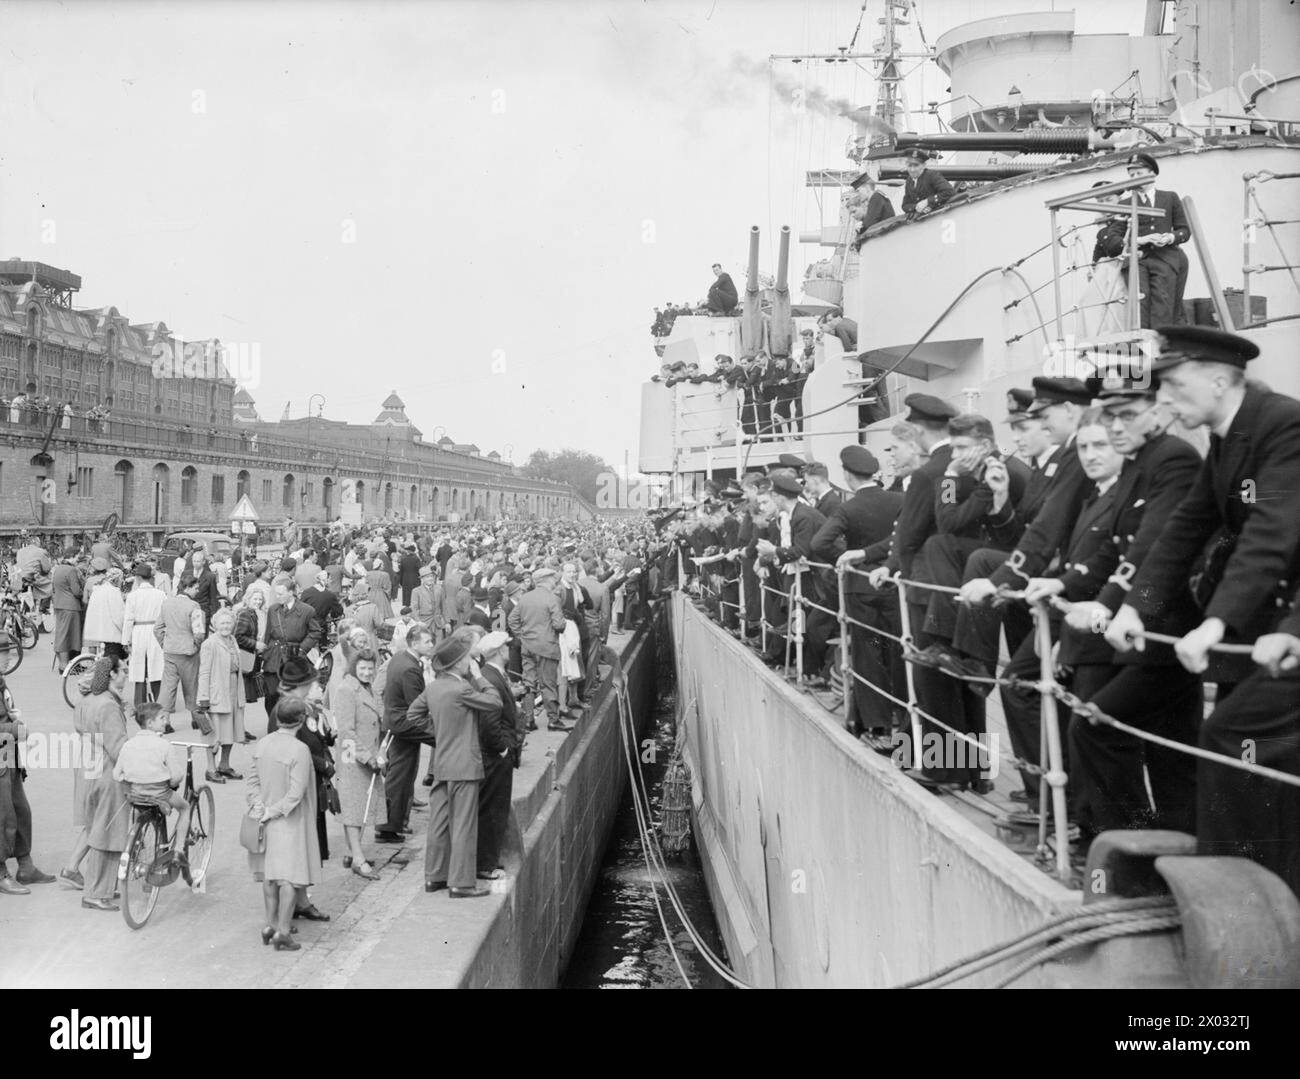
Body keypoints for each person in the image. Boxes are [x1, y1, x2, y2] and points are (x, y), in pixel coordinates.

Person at [1105, 326, 1300, 893]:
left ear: (1219, 380)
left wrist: (1217, 622)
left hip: (1282, 625)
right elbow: (1183, 531)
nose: (1162, 399)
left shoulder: (1282, 425)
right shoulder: (1228, 437)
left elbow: (1273, 532)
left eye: (1173, 383)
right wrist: (1135, 608)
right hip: (1269, 627)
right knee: (1247, 752)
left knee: (1230, 736)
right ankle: (1259, 886)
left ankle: (1239, 890)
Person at [411, 633, 508, 898]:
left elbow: (413, 715)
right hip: (465, 766)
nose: (470, 662)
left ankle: (435, 876)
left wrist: (439, 733)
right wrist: (478, 676)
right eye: (467, 659)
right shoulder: (462, 688)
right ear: (456, 663)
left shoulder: (433, 688)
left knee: (439, 823)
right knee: (464, 824)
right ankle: (461, 883)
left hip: (442, 763)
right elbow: (494, 702)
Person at [247, 695, 319, 950]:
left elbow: (252, 781)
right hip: (289, 821)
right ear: (300, 720)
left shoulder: (263, 743)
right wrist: (274, 811)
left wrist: (259, 807)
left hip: (264, 818)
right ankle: (283, 932)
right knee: (289, 878)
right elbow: (296, 794)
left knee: (269, 876)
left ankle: (270, 924)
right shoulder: (300, 749)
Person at [113, 702, 192, 873]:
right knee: (185, 808)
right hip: (160, 793)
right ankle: (178, 850)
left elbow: (116, 774)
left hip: (136, 795)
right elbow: (177, 775)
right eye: (162, 718)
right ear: (150, 723)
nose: (166, 721)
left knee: (138, 813)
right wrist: (171, 784)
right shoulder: (164, 745)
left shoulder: (128, 744)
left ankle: (136, 847)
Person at [376, 624, 437, 845]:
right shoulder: (410, 668)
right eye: (428, 641)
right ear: (414, 643)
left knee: (402, 774)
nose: (431, 645)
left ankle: (396, 823)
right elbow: (417, 706)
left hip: (397, 722)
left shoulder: (401, 657)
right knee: (400, 776)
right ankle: (388, 828)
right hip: (404, 723)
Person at [79, 656, 131, 911]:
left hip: (93, 771)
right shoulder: (109, 706)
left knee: (100, 829)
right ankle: (96, 892)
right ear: (112, 674)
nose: (126, 674)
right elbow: (118, 747)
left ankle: (102, 888)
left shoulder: (93, 700)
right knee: (107, 833)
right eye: (123, 670)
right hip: (109, 776)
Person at [333, 647, 386, 880]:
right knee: (355, 808)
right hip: (353, 756)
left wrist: (381, 751)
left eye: (370, 668)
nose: (366, 672)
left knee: (360, 806)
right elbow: (346, 732)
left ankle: (351, 851)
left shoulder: (369, 688)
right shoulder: (346, 690)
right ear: (354, 668)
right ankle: (357, 857)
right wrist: (368, 757)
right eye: (362, 668)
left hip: (367, 754)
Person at [473, 631, 522, 880]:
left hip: (497, 755)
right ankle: (484, 863)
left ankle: (489, 859)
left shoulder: (492, 675)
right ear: (498, 652)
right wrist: (503, 749)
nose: (509, 651)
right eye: (506, 648)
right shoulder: (490, 678)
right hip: (495, 757)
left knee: (496, 808)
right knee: (492, 808)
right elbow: (489, 722)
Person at [1120, 152, 1190, 328]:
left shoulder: (1169, 197)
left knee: (1163, 305)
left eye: (1139, 173)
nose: (1134, 178)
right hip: (1138, 259)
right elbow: (1120, 237)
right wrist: (1141, 239)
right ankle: (1144, 348)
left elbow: (1185, 230)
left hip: (1165, 257)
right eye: (1132, 175)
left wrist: (1169, 237)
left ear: (1152, 174)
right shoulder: (1125, 204)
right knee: (1140, 305)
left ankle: (1160, 347)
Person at [0, 675, 54, 894]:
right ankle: (2, 872)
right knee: (3, 817)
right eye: (4, 654)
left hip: (8, 756)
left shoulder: (1, 682)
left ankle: (26, 866)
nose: (8, 659)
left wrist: (14, 721)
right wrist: (14, 730)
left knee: (21, 811)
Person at [508, 567, 571, 732]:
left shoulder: (525, 598)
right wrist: (562, 625)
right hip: (547, 647)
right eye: (553, 579)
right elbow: (559, 624)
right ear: (547, 580)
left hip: (527, 646)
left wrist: (522, 636)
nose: (555, 582)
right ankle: (553, 719)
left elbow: (512, 620)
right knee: (548, 683)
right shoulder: (552, 599)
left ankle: (529, 719)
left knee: (529, 683)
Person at [262, 581, 321, 732]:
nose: (277, 597)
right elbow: (267, 634)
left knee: (291, 694)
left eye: (280, 593)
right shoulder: (273, 610)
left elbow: (315, 632)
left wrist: (302, 649)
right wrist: (263, 656)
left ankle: (291, 726)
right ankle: (274, 726)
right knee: (271, 695)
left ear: (291, 592)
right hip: (274, 657)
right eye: (276, 593)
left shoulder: (307, 611)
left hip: (293, 658)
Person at [155, 577, 207, 744]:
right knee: (192, 685)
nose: (197, 591)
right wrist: (196, 645)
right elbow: (199, 632)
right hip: (188, 651)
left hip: (170, 650)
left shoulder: (166, 603)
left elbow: (157, 628)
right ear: (189, 587)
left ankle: (165, 722)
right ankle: (196, 719)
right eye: (196, 588)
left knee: (167, 686)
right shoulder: (194, 606)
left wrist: (165, 643)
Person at [197, 607, 245, 781]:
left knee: (230, 730)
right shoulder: (209, 644)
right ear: (215, 624)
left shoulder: (232, 640)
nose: (226, 626)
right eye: (222, 623)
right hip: (217, 691)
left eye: (228, 623)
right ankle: (210, 769)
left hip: (233, 690)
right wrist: (203, 697)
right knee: (213, 734)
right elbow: (203, 672)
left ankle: (224, 765)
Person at [122, 564, 166, 709]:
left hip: (138, 631)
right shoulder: (160, 594)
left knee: (139, 665)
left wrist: (125, 640)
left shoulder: (132, 596)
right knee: (156, 666)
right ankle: (158, 700)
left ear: (138, 578)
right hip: (155, 630)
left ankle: (139, 702)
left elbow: (128, 620)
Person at [50, 549, 84, 673]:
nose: (77, 561)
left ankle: (66, 664)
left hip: (59, 604)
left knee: (62, 634)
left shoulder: (58, 568)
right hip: (71, 606)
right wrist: (84, 592)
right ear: (72, 556)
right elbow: (76, 591)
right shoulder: (71, 570)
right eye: (77, 558)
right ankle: (64, 665)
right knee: (70, 636)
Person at [83, 567, 127, 660]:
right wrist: (125, 631)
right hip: (112, 633)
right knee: (114, 658)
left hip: (99, 630)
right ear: (117, 579)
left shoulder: (97, 590)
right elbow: (118, 615)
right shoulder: (114, 592)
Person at [901, 149, 954, 216]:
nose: (912, 170)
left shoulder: (932, 175)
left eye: (916, 165)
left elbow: (949, 191)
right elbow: (905, 205)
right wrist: (917, 207)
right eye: (909, 166)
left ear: (924, 165)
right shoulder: (909, 181)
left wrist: (927, 201)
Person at [850, 173, 896, 249]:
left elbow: (868, 224)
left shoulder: (876, 197)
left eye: (858, 191)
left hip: (885, 242)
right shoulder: (877, 197)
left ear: (867, 187)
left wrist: (859, 228)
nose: (858, 195)